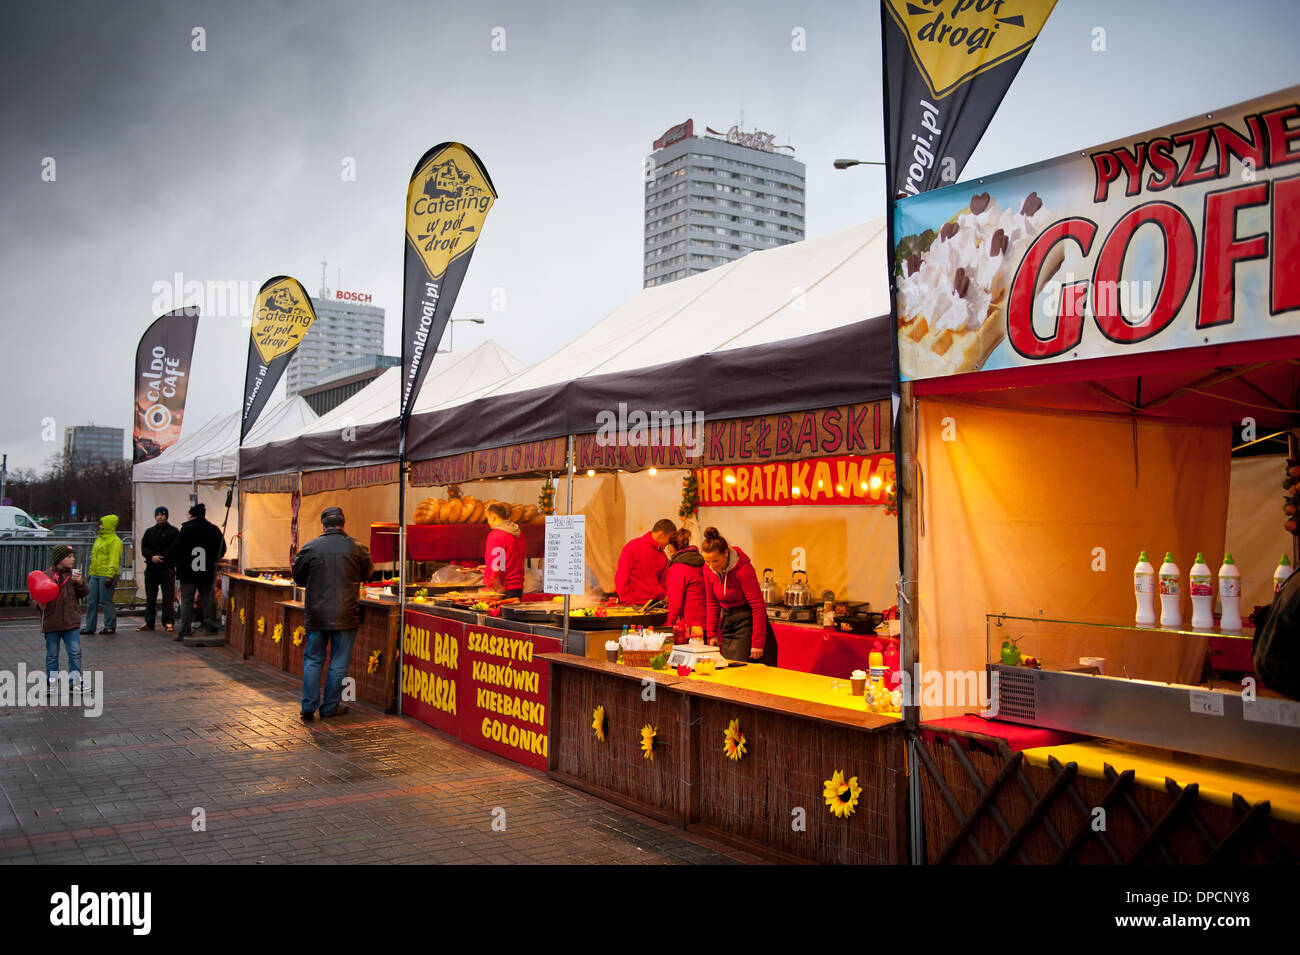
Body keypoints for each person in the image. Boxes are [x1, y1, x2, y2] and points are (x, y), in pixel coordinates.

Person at [293, 506, 373, 721]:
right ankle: (329, 708)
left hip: (316, 614)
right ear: (343, 524)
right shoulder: (358, 548)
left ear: (323, 525)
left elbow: (298, 578)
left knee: (313, 659)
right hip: (346, 614)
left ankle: (308, 707)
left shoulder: (310, 548)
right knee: (339, 661)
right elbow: (367, 574)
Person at [700, 526, 777, 664]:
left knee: (739, 666)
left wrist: (757, 642)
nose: (711, 566)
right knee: (727, 663)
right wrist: (711, 634)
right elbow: (712, 602)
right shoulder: (708, 570)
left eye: (715, 561)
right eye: (707, 561)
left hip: (746, 621)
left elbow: (758, 605)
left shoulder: (743, 569)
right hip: (728, 621)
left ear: (725, 553)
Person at [170, 502, 226, 639]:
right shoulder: (213, 529)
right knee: (208, 599)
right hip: (206, 571)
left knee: (187, 601)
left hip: (188, 572)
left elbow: (176, 549)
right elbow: (222, 549)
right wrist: (213, 559)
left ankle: (185, 631)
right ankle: (211, 627)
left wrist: (180, 564)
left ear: (193, 515)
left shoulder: (186, 529)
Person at [39, 544, 89, 691]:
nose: (73, 559)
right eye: (69, 556)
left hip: (71, 622)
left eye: (73, 556)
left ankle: (75, 683)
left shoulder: (73, 575)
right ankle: (51, 683)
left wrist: (80, 583)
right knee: (52, 655)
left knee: (75, 652)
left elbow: (84, 593)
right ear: (60, 559)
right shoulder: (46, 575)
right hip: (52, 622)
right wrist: (39, 604)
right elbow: (35, 596)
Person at [138, 506, 178, 632]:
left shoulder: (173, 531)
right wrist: (151, 557)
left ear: (167, 516)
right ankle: (149, 622)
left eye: (162, 514)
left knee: (168, 596)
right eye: (158, 515)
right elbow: (144, 547)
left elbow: (175, 547)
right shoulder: (149, 532)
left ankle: (168, 621)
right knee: (150, 596)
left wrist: (163, 557)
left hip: (167, 568)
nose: (160, 517)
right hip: (152, 568)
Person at [615, 518, 674, 604]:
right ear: (662, 534)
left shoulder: (663, 556)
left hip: (654, 606)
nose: (668, 544)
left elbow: (664, 583)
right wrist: (627, 602)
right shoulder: (632, 547)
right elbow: (621, 577)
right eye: (669, 540)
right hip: (632, 605)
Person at [83, 514, 123, 634]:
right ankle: (90, 626)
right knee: (91, 600)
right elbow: (94, 557)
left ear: (108, 525)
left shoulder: (115, 541)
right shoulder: (99, 539)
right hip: (96, 573)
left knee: (106, 600)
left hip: (107, 574)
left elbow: (114, 559)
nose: (100, 526)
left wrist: (110, 575)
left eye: (102, 524)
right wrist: (91, 572)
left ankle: (110, 626)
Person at [665, 527, 706, 633]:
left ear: (671, 547)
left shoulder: (678, 567)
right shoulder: (698, 560)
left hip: (692, 626)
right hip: (706, 622)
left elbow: (675, 604)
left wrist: (666, 626)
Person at [483, 502, 525, 598]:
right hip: (518, 587)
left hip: (504, 590)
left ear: (493, 517)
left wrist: (489, 585)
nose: (488, 522)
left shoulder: (496, 535)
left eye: (488, 518)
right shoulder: (519, 533)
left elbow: (496, 565)